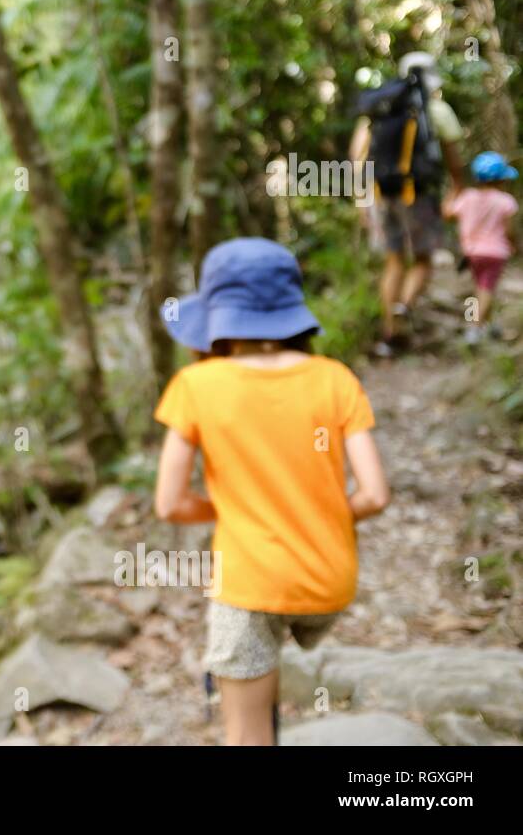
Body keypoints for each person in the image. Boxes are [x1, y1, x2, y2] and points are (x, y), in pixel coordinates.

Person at [152, 237, 390, 746]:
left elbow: (169, 503)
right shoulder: (336, 378)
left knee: (247, 737)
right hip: (327, 582)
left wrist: (239, 507)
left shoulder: (196, 385)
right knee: (272, 647)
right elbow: (374, 494)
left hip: (251, 583)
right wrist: (317, 513)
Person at [350, 52, 465, 356]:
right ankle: (404, 306)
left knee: (394, 261)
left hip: (381, 194)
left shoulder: (379, 109)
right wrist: (458, 189)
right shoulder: (436, 110)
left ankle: (390, 334)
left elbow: (357, 157)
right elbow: (454, 160)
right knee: (424, 259)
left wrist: (362, 200)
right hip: (419, 194)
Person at [443, 151, 519, 343]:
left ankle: (486, 324)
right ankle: (474, 328)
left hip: (471, 252)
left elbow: (448, 214)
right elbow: (510, 231)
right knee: (486, 289)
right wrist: (515, 245)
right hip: (495, 252)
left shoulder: (468, 197)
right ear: (501, 180)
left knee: (480, 288)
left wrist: (453, 189)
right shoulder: (505, 201)